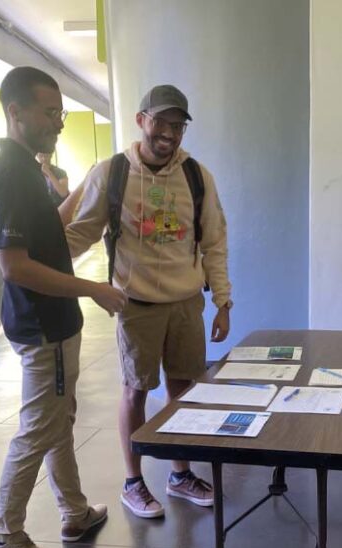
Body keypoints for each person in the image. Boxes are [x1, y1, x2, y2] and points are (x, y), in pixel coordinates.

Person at [65, 84, 232, 519]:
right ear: (141, 120)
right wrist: (32, 256)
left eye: (178, 125)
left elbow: (214, 242)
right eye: (160, 122)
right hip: (136, 303)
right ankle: (133, 482)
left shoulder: (197, 176)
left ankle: (179, 474)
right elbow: (81, 233)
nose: (169, 133)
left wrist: (224, 303)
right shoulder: (113, 173)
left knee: (184, 389)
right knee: (135, 390)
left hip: (186, 302)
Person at [0, 66, 127, 548]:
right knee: (39, 426)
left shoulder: (27, 169)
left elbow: (47, 231)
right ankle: (6, 534)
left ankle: (75, 511)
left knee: (58, 420)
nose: (58, 122)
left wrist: (84, 189)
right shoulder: (8, 175)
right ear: (15, 111)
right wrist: (94, 288)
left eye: (60, 112)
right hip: (43, 327)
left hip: (53, 325)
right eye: (49, 112)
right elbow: (15, 266)